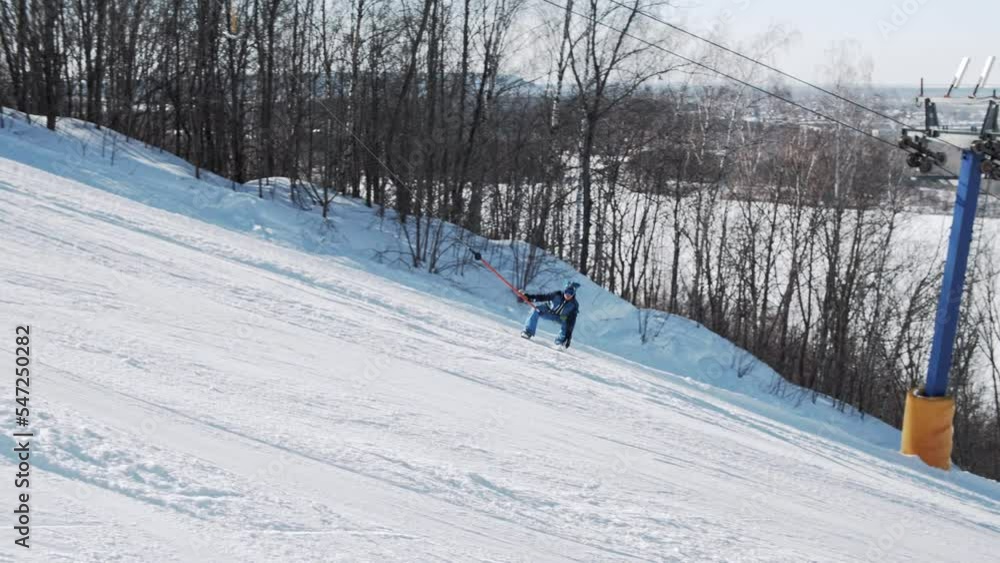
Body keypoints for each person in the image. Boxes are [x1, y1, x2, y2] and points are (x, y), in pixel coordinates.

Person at [520, 281, 580, 348]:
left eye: (571, 293)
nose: (568, 295)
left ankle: (560, 342)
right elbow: (542, 297)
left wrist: (568, 336)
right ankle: (528, 332)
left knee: (567, 321)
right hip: (548, 312)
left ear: (573, 294)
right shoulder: (557, 295)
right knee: (535, 309)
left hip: (560, 317)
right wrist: (529, 298)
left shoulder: (574, 305)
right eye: (567, 291)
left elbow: (572, 321)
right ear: (564, 290)